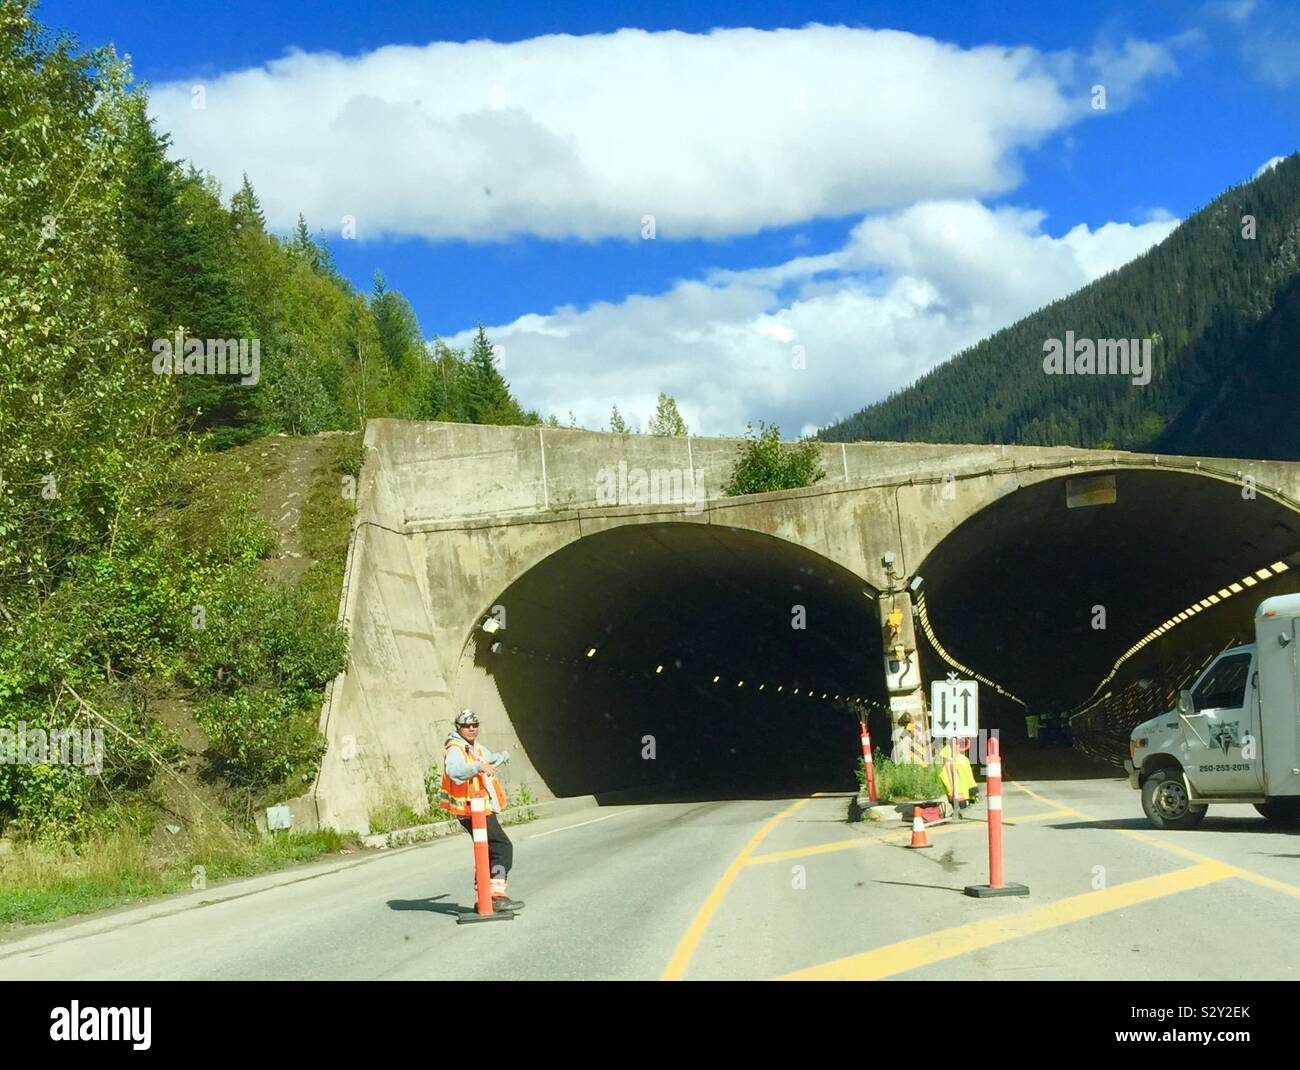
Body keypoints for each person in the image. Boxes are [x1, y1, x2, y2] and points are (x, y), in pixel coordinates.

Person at [439, 709, 523, 911]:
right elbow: (454, 771)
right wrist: (479, 766)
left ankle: (484, 896)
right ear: (458, 727)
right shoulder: (456, 748)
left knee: (485, 851)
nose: (471, 729)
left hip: (479, 809)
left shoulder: (474, 747)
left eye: (474, 725)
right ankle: (495, 895)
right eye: (467, 726)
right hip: (471, 810)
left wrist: (503, 756)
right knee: (502, 847)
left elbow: (488, 758)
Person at [938, 737, 980, 808]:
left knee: (963, 761)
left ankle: (970, 791)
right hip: (955, 788)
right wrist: (953, 791)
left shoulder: (962, 758)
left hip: (963, 790)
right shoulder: (947, 751)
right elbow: (948, 771)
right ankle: (965, 795)